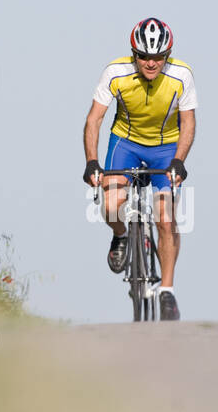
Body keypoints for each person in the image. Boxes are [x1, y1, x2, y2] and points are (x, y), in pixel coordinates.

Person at [83, 18, 196, 321]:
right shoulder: (115, 73)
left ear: (167, 55)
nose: (150, 63)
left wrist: (179, 161)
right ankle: (120, 235)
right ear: (133, 54)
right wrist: (92, 162)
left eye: (158, 57)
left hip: (166, 148)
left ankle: (168, 291)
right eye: (143, 56)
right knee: (110, 204)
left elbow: (188, 122)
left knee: (165, 216)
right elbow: (94, 119)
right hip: (126, 143)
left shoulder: (181, 76)